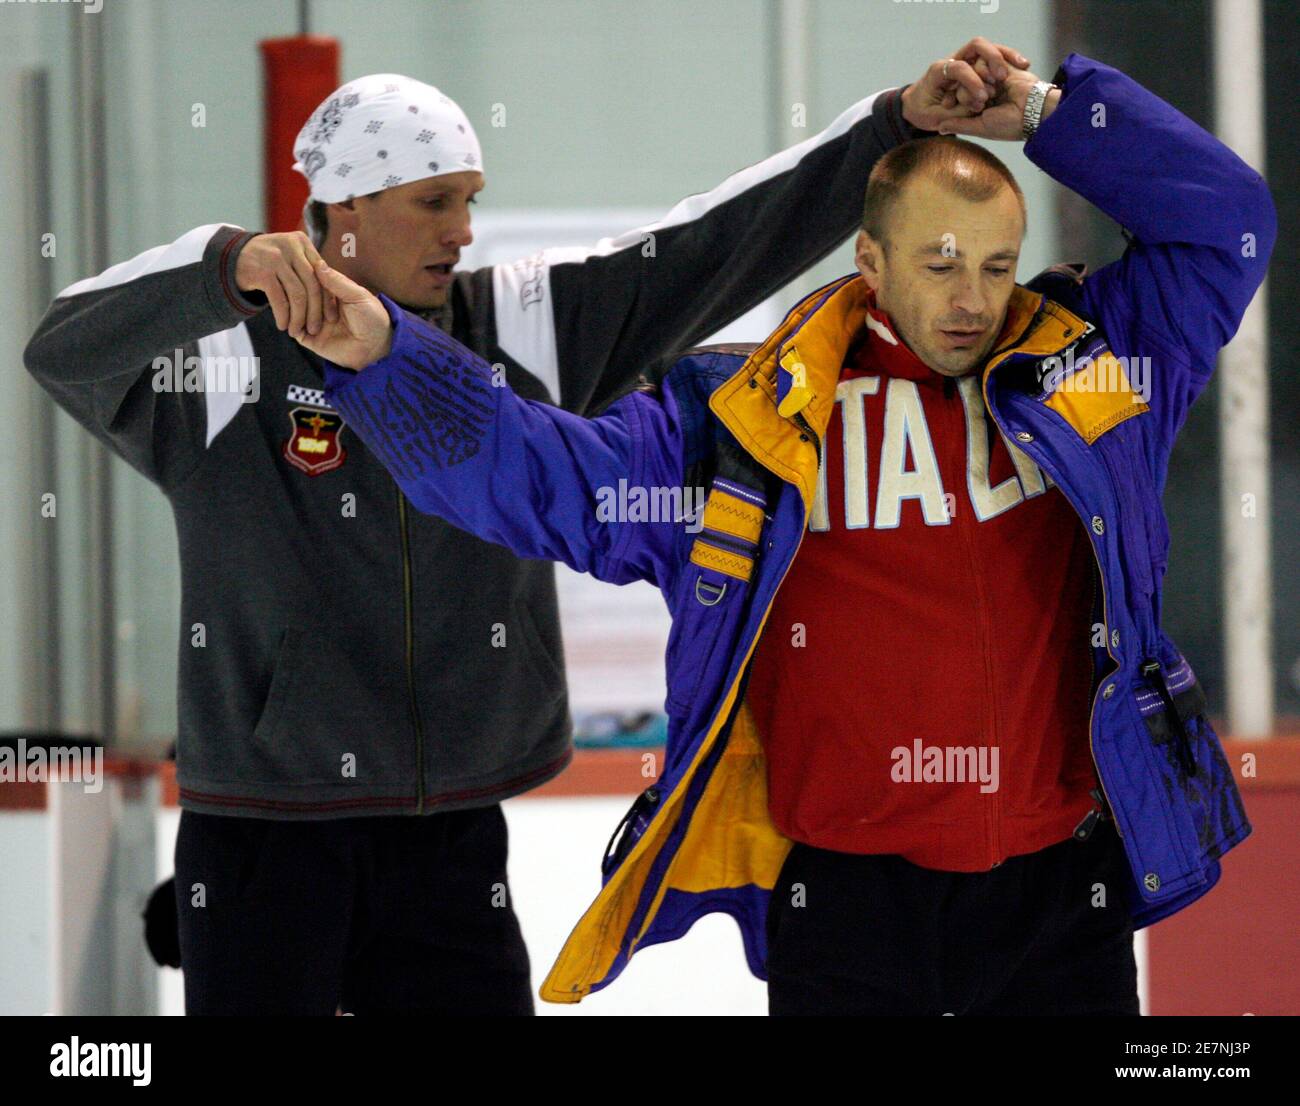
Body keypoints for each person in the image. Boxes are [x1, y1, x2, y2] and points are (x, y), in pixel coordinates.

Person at [23, 44, 1020, 1015]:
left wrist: (893, 126)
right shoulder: (224, 367)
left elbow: (715, 242)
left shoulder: (525, 330)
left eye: (468, 198)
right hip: (260, 830)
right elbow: (61, 344)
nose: (461, 230)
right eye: (433, 201)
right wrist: (223, 262)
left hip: (453, 833)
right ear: (345, 210)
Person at [295, 51, 1273, 1014]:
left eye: (994, 265)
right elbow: (539, 472)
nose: (971, 300)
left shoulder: (1096, 375)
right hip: (848, 915)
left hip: (1063, 903)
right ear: (871, 260)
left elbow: (1225, 223)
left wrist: (1050, 112)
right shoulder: (744, 424)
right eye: (938, 263)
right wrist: (386, 362)